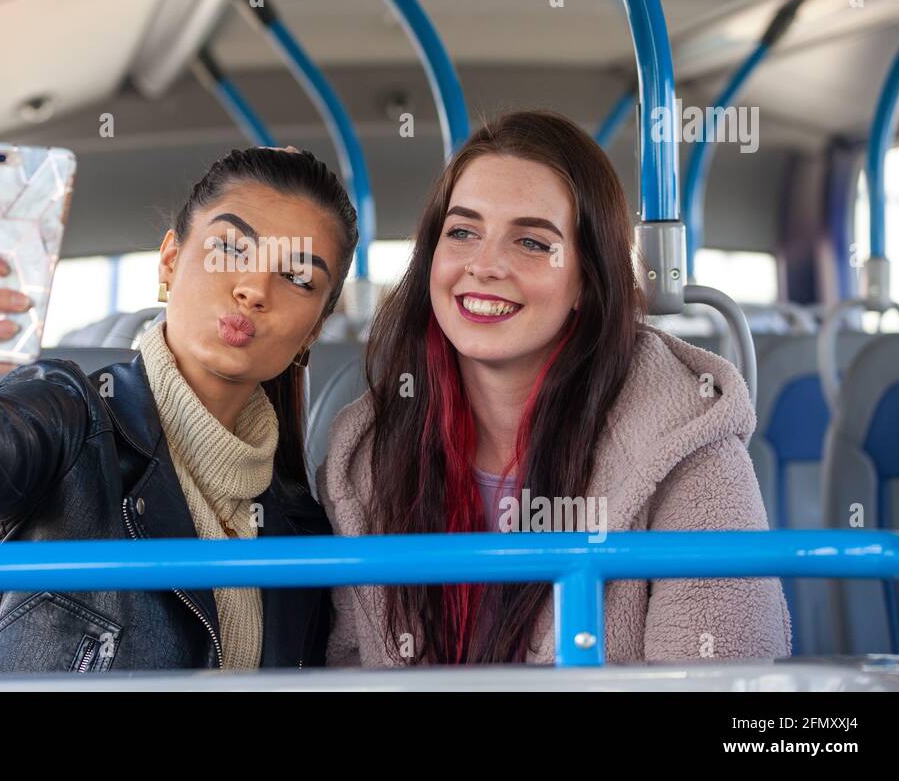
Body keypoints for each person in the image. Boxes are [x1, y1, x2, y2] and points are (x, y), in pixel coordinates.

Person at [318, 111, 791, 665]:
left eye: (533, 242)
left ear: (588, 281)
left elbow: (724, 684)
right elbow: (348, 666)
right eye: (463, 232)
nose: (485, 265)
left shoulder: (687, 449)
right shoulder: (368, 455)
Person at [0, 146, 358, 673]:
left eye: (297, 278)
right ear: (169, 261)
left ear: (314, 329)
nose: (254, 289)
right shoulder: (71, 419)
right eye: (230, 250)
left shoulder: (303, 530)